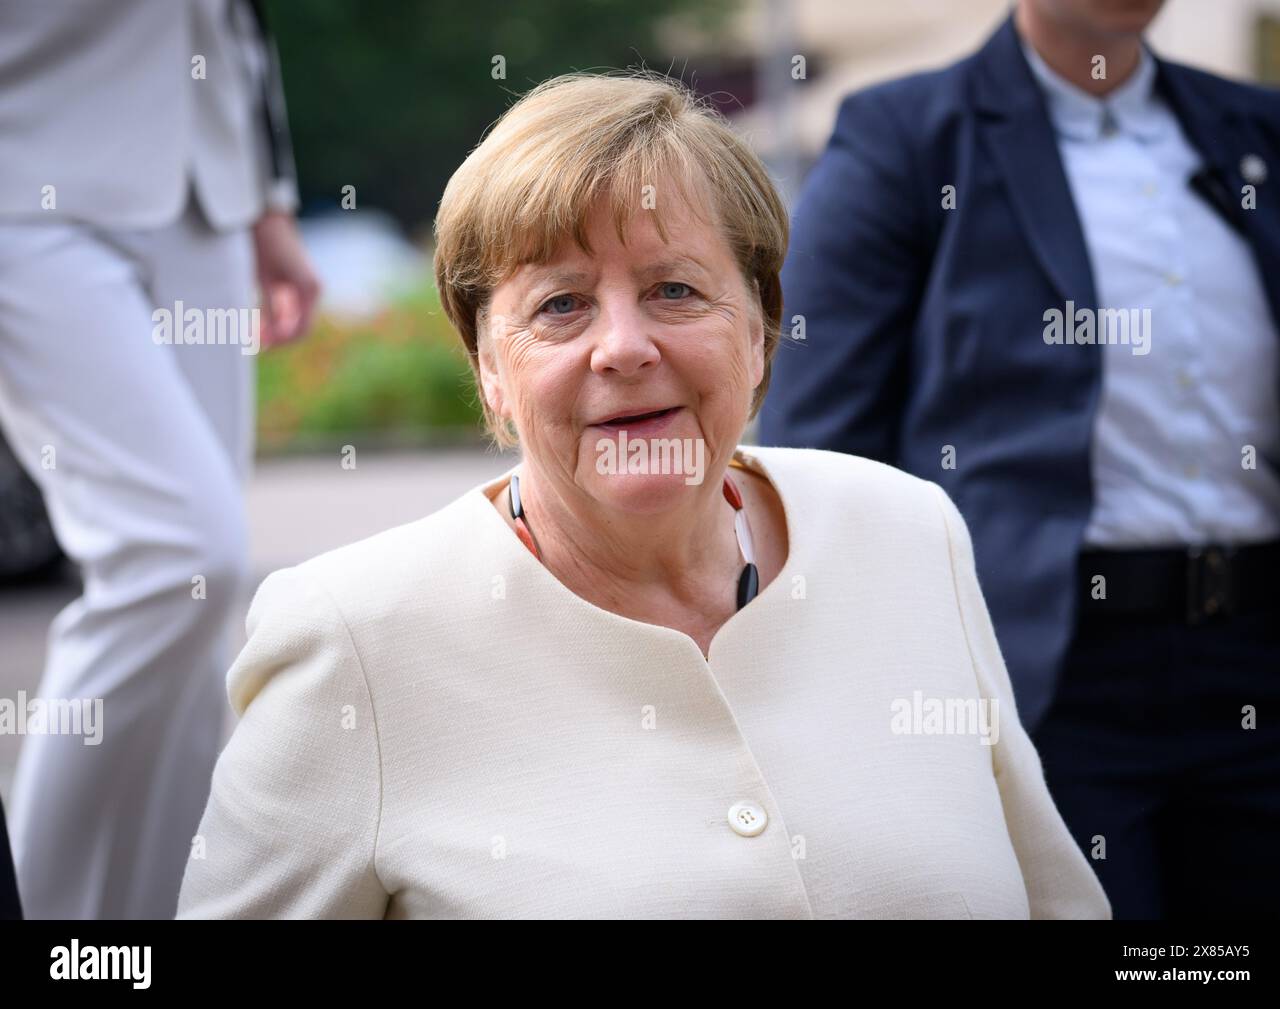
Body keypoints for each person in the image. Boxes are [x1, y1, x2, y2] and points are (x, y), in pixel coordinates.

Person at [175, 72, 1108, 919]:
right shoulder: (355, 640)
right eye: (560, 305)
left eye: (673, 289)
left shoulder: (908, 531)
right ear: (490, 373)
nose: (623, 347)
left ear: (760, 330)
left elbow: (1056, 903)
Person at [758, 0, 1280, 918]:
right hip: (1045, 672)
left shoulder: (1263, 128)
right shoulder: (910, 138)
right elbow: (822, 445)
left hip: (1267, 653)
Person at [0, 0, 319, 918]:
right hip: (24, 177)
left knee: (194, 608)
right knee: (177, 553)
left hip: (202, 185)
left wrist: (265, 199)